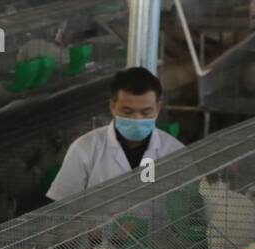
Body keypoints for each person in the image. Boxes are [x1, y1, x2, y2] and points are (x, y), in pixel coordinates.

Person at [45, 66, 185, 203]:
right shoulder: (84, 149)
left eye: (146, 112)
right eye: (127, 112)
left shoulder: (174, 151)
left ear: (158, 108)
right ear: (112, 106)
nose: (137, 119)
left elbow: (190, 205)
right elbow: (60, 207)